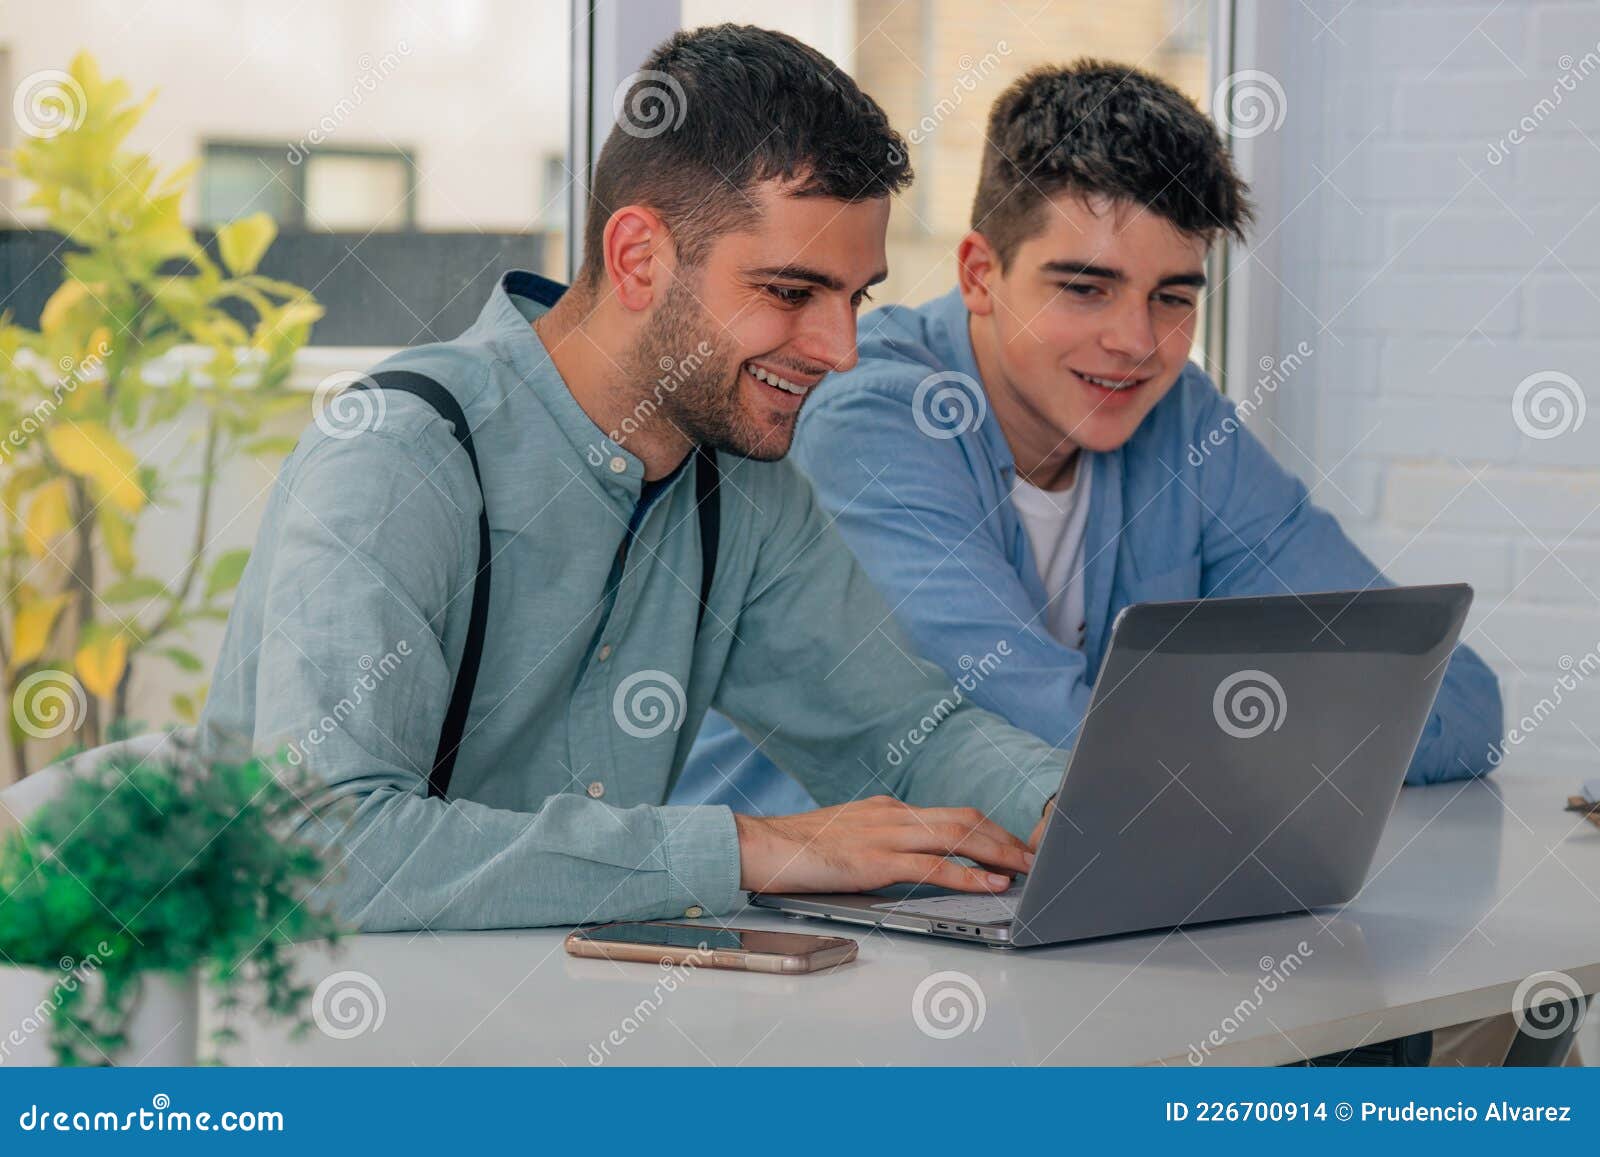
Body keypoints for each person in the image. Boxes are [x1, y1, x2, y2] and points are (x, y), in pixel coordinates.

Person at [198, 24, 1065, 932]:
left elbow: (906, 734)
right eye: (789, 292)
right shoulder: (399, 456)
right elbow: (319, 853)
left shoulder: (744, 488)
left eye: (857, 297)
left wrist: (1078, 815)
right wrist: (750, 849)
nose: (840, 350)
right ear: (639, 258)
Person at [678, 60, 1503, 816]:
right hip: (797, 925)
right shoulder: (874, 416)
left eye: (1173, 298)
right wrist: (1282, 724)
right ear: (979, 275)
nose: (1136, 342)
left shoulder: (1181, 420)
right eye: (1085, 288)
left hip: (1063, 898)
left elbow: (1459, 699)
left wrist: (1190, 732)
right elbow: (1028, 737)